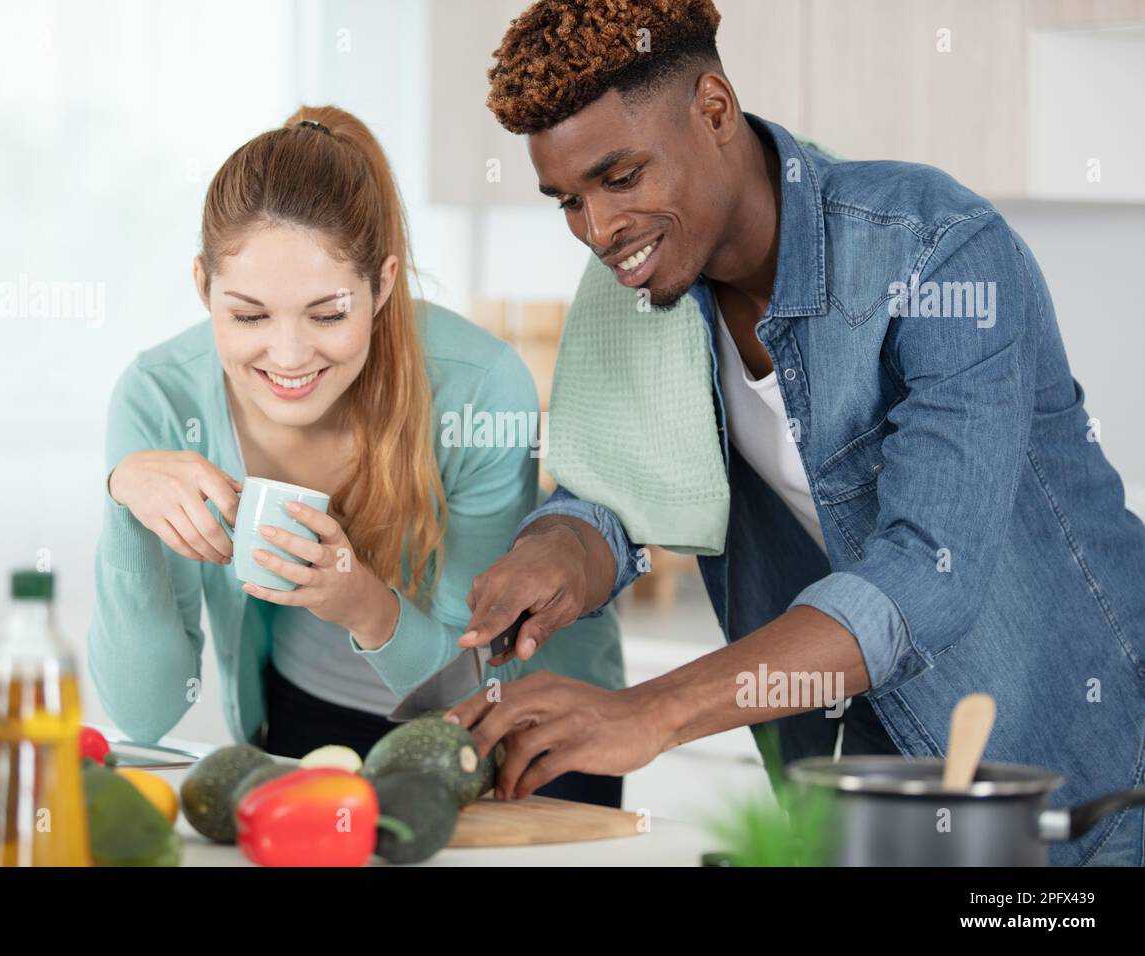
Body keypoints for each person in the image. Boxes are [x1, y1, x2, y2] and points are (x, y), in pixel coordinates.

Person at [448, 0, 1145, 863]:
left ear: (713, 109)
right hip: (867, 804)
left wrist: (654, 712)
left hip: (1094, 794)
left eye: (621, 177)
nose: (597, 231)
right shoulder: (648, 298)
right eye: (567, 201)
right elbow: (620, 492)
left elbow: (926, 575)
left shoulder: (937, 253)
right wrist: (559, 549)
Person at [87, 105, 625, 807]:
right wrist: (124, 501)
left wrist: (363, 604)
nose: (287, 356)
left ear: (382, 286)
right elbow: (145, 713)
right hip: (305, 720)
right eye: (249, 315)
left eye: (329, 314)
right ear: (203, 288)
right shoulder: (159, 400)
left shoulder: (480, 388)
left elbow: (477, 686)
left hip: (525, 738)